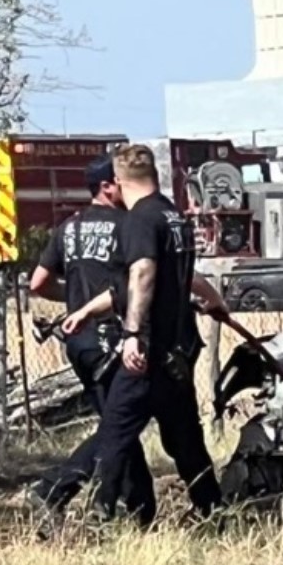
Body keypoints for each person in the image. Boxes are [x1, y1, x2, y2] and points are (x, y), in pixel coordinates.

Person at [88, 143, 230, 525]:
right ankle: (211, 509)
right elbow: (177, 279)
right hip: (178, 353)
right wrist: (207, 302)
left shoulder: (140, 219)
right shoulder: (173, 215)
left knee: (115, 431)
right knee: (185, 440)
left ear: (117, 182)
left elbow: (144, 273)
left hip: (146, 353)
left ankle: (102, 512)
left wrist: (133, 333)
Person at [25, 155, 155, 531]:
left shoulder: (69, 228)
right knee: (120, 424)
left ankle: (141, 507)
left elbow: (37, 284)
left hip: (77, 341)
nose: (125, 188)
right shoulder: (129, 226)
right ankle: (54, 488)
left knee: (118, 424)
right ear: (106, 187)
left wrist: (74, 301)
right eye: (118, 182)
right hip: (114, 340)